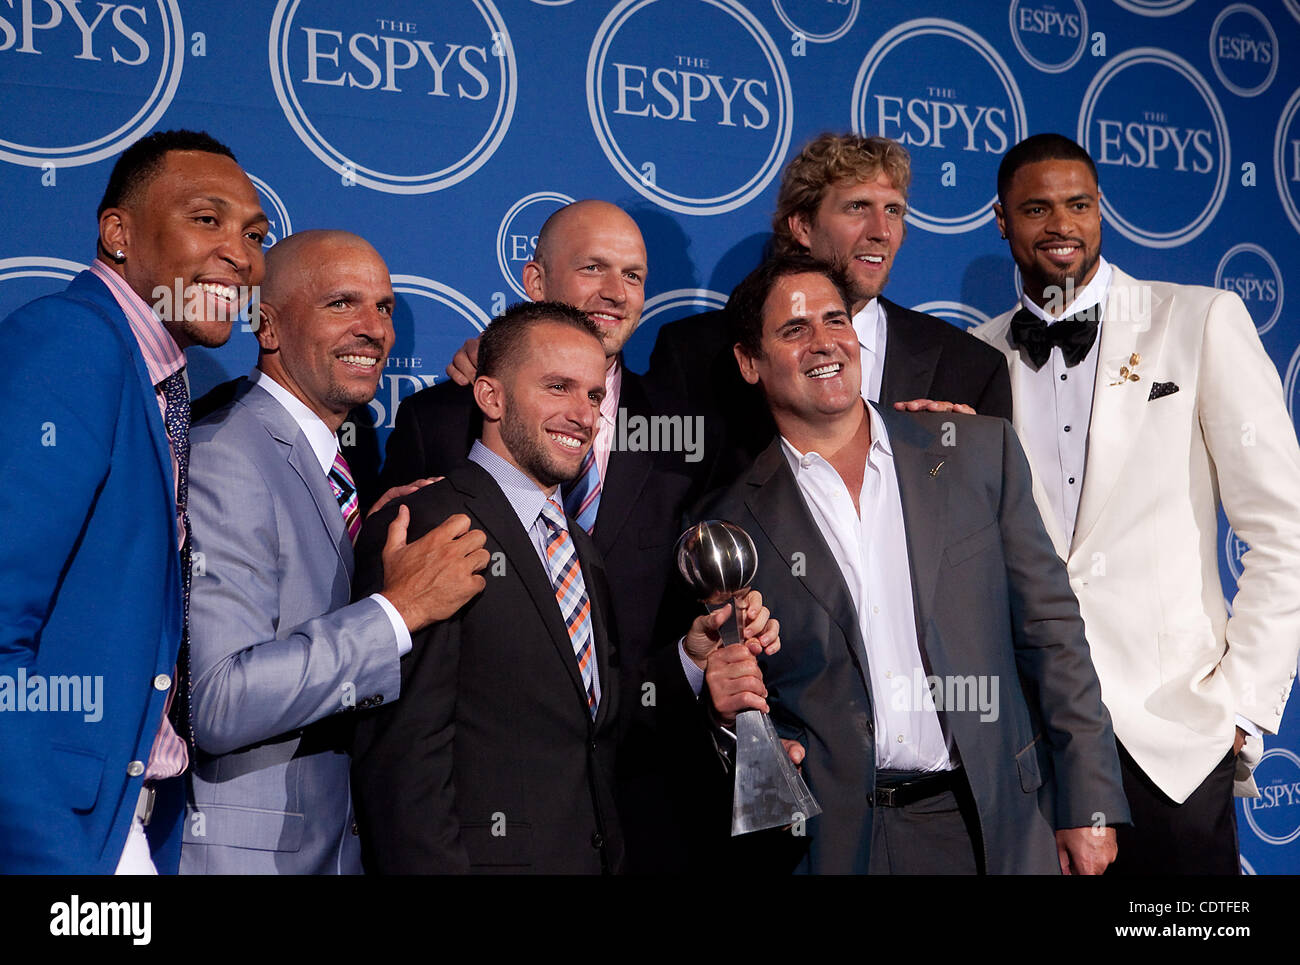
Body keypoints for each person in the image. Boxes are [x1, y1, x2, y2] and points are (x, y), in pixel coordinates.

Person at [700, 253, 1128, 874]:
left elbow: (1053, 634)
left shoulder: (976, 452)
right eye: (794, 330)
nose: (825, 343)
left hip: (994, 822)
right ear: (749, 362)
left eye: (835, 320)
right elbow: (739, 691)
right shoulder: (728, 526)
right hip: (837, 843)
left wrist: (1089, 805)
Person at [350, 301, 780, 873]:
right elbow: (403, 764)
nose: (584, 414)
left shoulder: (579, 546)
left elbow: (589, 727)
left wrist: (690, 660)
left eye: (595, 395)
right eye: (558, 387)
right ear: (490, 396)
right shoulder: (428, 525)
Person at [973, 133, 1300, 874]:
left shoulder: (1197, 319)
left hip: (1173, 741)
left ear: (1100, 211)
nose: (1061, 224)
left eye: (1079, 204)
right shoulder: (975, 357)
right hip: (1033, 746)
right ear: (1000, 220)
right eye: (1036, 207)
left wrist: (1240, 708)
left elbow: (1286, 529)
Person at [378, 200, 706, 869]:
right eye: (593, 267)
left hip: (633, 817)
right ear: (535, 280)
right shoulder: (437, 428)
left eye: (634, 275)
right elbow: (407, 730)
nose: (615, 290)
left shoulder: (689, 431)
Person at [178, 231, 490, 874]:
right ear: (267, 325)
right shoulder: (227, 453)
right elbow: (218, 700)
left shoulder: (337, 466)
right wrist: (397, 612)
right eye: (341, 304)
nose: (373, 329)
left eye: (384, 307)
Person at [0, 130, 268, 874]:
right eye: (206, 219)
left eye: (254, 234)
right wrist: (51, 857)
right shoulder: (72, 342)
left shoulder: (155, 379)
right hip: (66, 838)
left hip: (127, 825)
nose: (241, 255)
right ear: (117, 233)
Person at [649, 133, 1013, 487]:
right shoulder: (695, 354)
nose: (881, 232)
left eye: (893, 211)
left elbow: (992, 511)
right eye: (857, 207)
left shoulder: (970, 365)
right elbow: (667, 507)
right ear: (803, 226)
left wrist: (971, 458)